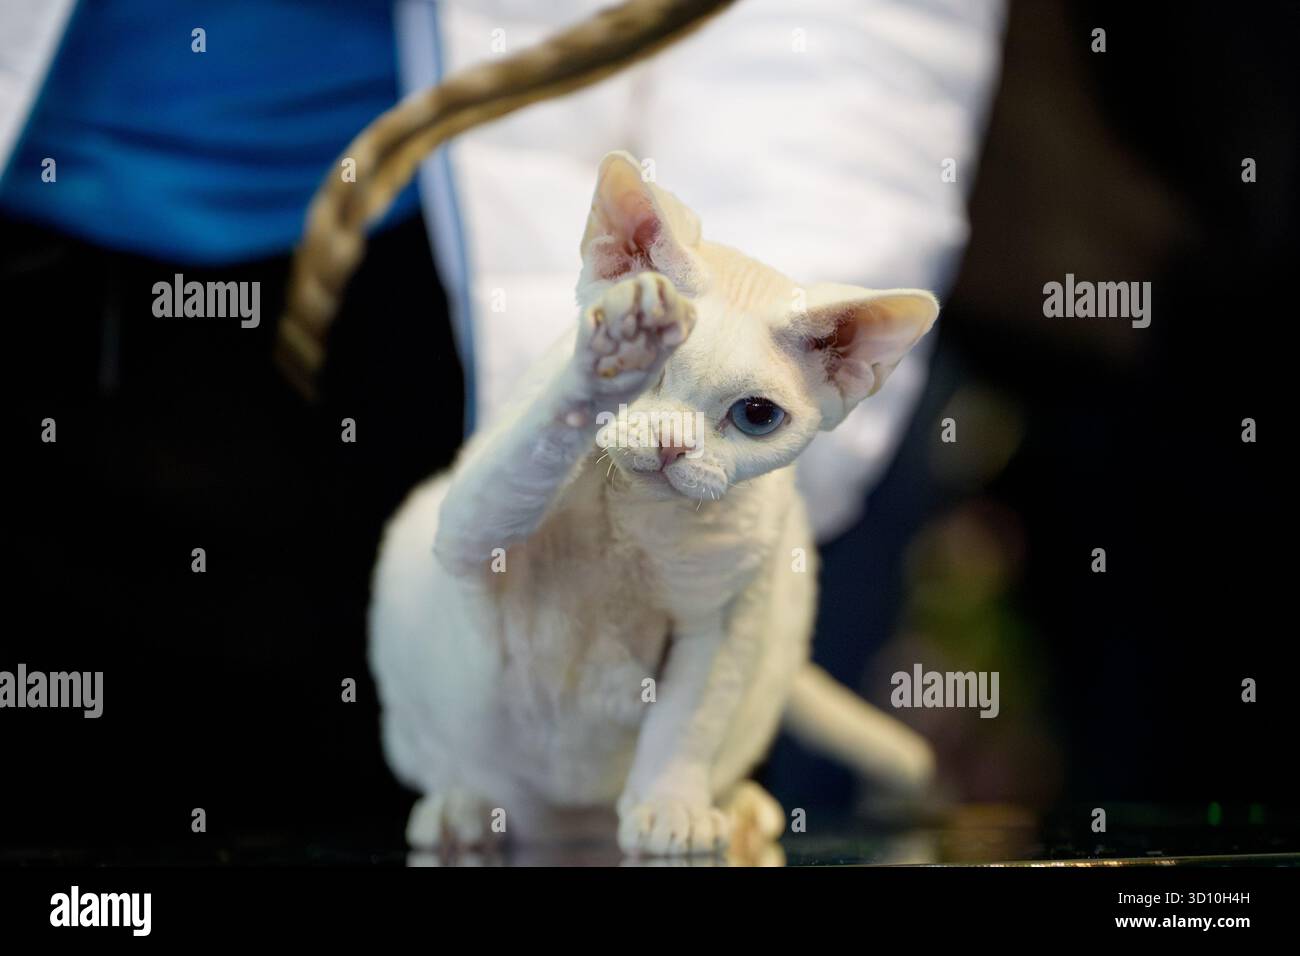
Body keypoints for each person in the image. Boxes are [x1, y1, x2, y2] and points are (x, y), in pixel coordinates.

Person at [0, 0, 1004, 844]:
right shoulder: (614, 344)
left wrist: (769, 325)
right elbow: (464, 535)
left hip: (435, 282)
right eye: (655, 381)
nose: (672, 441)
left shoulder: (755, 383)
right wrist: (599, 379)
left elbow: (850, 34)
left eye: (748, 413)